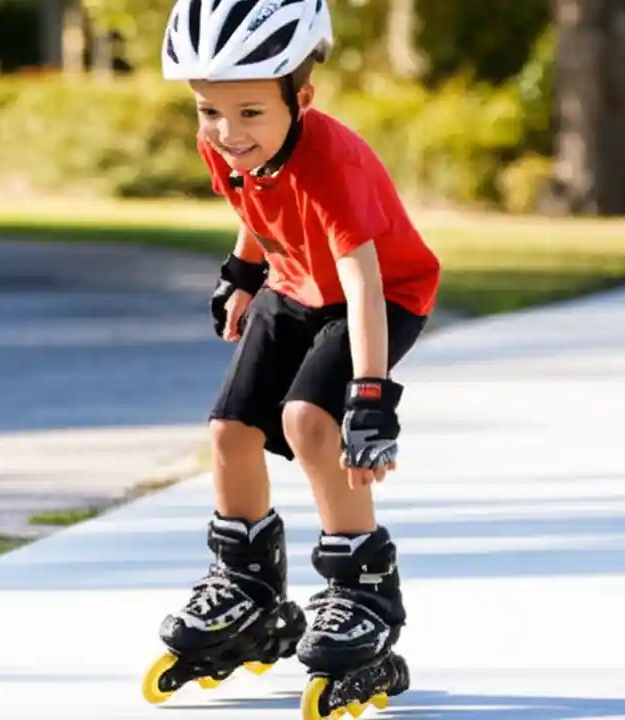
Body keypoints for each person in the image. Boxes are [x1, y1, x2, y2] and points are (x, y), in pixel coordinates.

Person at [142, 0, 440, 715]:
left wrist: (371, 395)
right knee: (230, 431)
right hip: (294, 284)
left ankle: (361, 594)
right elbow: (256, 212)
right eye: (210, 110)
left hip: (380, 295)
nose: (227, 133)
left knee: (311, 420)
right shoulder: (222, 145)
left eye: (250, 113)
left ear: (300, 98)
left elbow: (364, 279)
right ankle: (247, 592)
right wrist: (243, 273)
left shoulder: (331, 161)